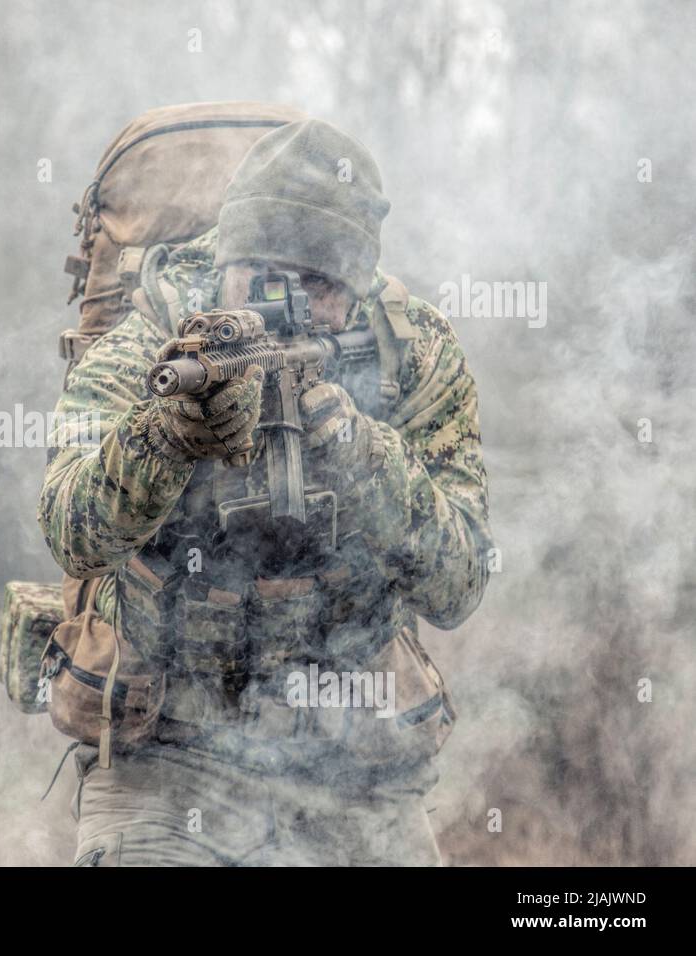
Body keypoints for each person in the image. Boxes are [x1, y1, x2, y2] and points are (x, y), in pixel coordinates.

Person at [37, 118, 492, 866]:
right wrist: (169, 435)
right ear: (225, 259)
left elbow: (460, 581)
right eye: (263, 276)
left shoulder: (412, 355)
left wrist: (359, 452)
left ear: (356, 289)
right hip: (170, 752)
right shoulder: (151, 343)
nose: (288, 305)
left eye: (318, 285)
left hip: (356, 767)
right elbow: (70, 527)